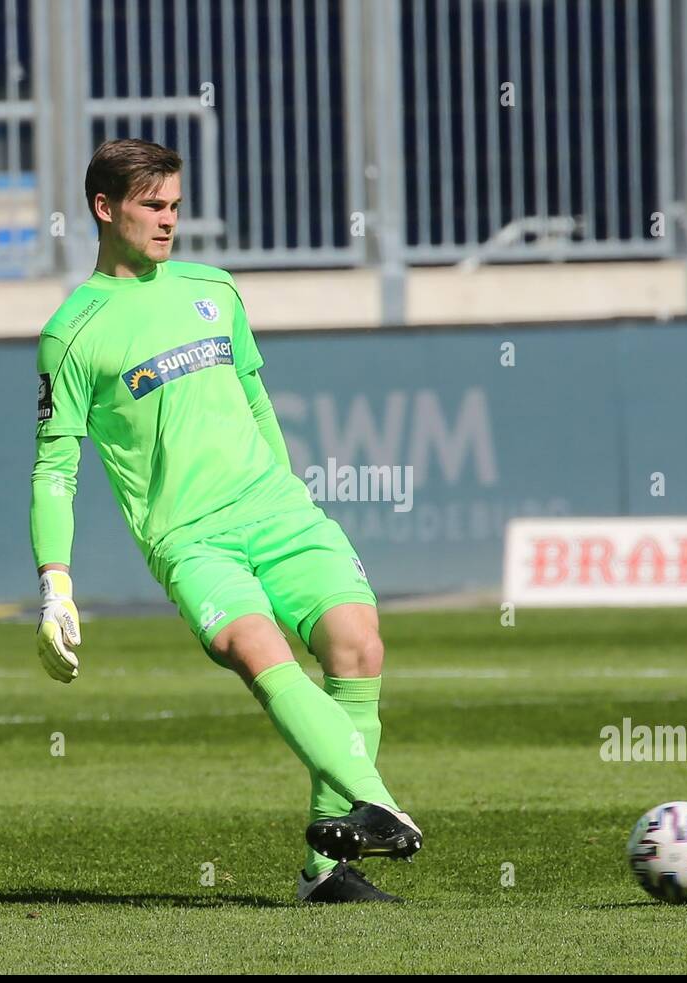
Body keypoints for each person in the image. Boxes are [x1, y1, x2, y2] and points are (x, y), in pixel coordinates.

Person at [28, 139, 422, 904]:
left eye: (175, 204)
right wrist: (56, 585)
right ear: (105, 209)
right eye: (153, 206)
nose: (169, 221)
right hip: (192, 537)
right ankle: (378, 803)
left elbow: (253, 397)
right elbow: (55, 467)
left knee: (357, 642)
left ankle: (326, 872)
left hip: (278, 511)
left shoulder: (216, 289)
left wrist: (290, 493)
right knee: (252, 647)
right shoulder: (71, 331)